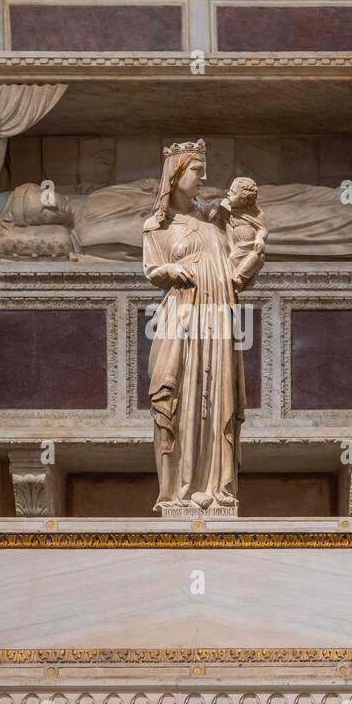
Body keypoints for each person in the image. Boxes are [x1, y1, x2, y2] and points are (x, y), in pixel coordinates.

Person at [143, 141, 263, 512]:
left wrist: (254, 256)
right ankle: (178, 491)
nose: (204, 177)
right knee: (174, 398)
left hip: (218, 323)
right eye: (196, 169)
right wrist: (170, 270)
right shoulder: (157, 225)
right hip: (180, 320)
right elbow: (151, 270)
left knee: (217, 398)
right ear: (176, 174)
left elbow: (236, 272)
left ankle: (214, 486)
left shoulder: (214, 220)